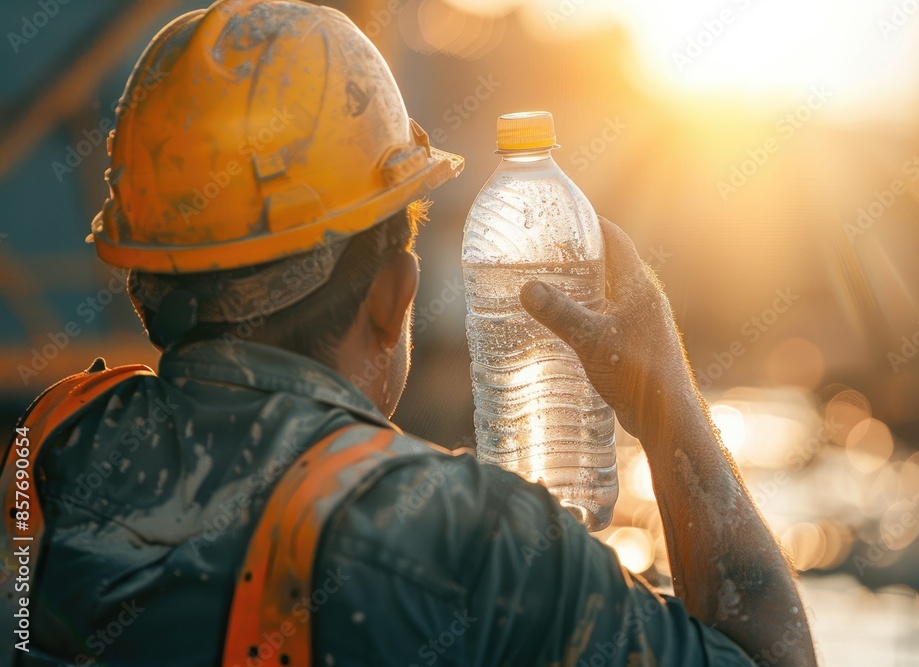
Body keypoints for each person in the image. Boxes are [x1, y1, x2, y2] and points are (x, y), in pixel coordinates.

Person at [0, 1, 816, 665]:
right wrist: (665, 396)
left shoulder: (50, 453)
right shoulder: (475, 540)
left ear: (143, 280)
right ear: (396, 297)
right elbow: (772, 655)